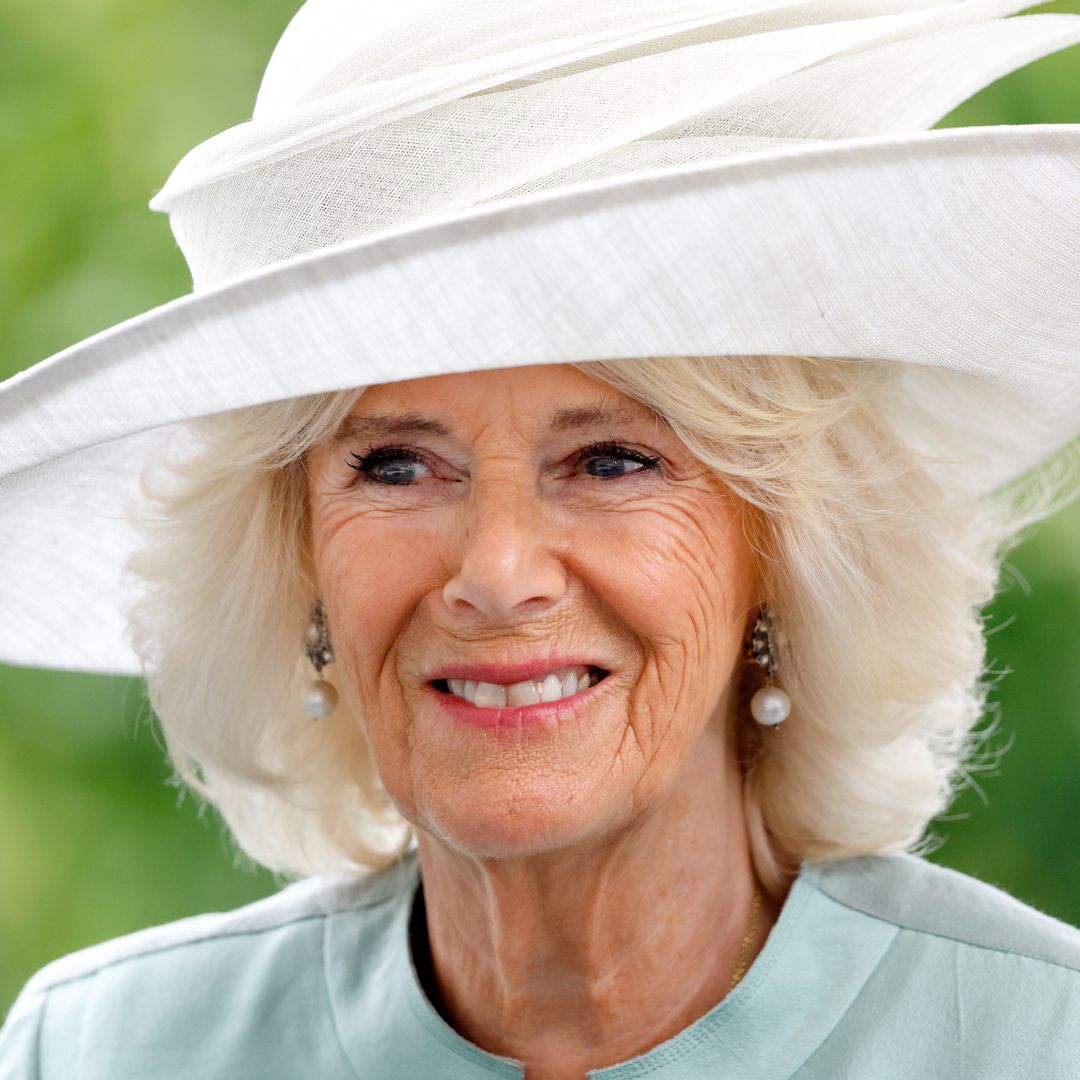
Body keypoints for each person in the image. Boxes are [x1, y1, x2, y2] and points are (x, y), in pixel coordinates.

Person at [2, 0, 1080, 1077]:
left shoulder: (1038, 1040)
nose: (497, 573)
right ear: (295, 557)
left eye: (612, 462)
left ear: (786, 549)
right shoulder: (102, 1049)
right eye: (396, 466)